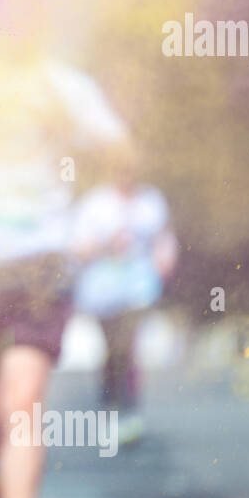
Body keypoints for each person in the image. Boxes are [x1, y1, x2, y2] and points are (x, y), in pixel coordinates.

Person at [0, 53, 129, 498]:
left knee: (24, 403)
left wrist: (106, 217)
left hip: (43, 262)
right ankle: (4, 472)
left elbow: (120, 150)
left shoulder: (62, 84)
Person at [70, 145, 178, 445]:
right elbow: (79, 248)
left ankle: (128, 411)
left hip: (139, 288)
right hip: (102, 292)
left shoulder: (151, 201)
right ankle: (111, 405)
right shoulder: (96, 204)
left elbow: (163, 236)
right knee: (112, 350)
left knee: (128, 346)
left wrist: (164, 258)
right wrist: (107, 244)